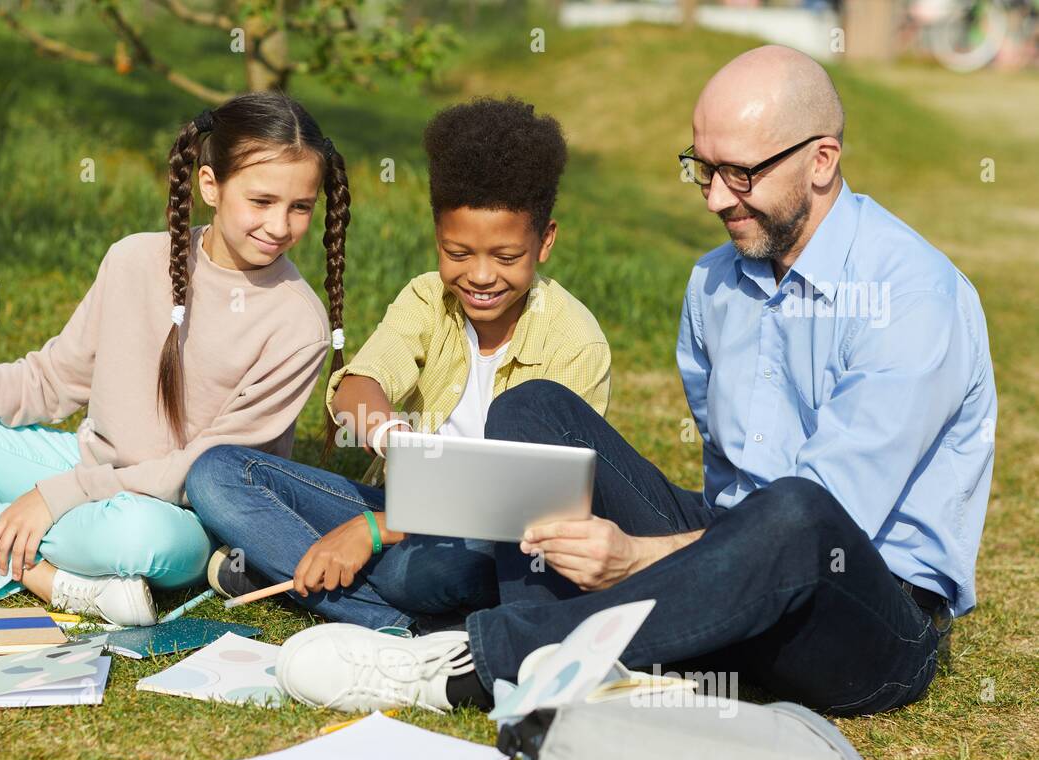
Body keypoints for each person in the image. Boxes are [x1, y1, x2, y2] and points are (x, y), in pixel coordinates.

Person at [274, 46, 996, 717]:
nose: (715, 199)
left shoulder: (912, 294)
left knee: (797, 512)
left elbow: (834, 515)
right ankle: (568, 647)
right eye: (702, 169)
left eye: (740, 174)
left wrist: (637, 556)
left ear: (821, 160)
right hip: (725, 548)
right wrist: (665, 548)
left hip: (864, 608)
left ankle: (481, 663)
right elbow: (729, 488)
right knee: (533, 410)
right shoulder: (715, 282)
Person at [0, 92, 348, 625]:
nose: (280, 225)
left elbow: (203, 470)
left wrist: (58, 495)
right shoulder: (133, 259)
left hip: (183, 516)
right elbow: (48, 382)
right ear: (210, 184)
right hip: (87, 470)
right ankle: (38, 572)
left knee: (137, 538)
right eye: (262, 201)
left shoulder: (299, 324)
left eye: (300, 207)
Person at [187, 96, 611, 631]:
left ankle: (325, 580)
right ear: (437, 236)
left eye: (506, 258)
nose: (480, 276)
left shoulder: (575, 341)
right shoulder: (427, 298)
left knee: (421, 573)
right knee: (219, 474)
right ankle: (398, 620)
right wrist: (387, 434)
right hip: (399, 515)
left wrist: (373, 529)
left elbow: (542, 502)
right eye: (457, 253)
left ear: (544, 241)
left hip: (503, 535)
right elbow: (356, 387)